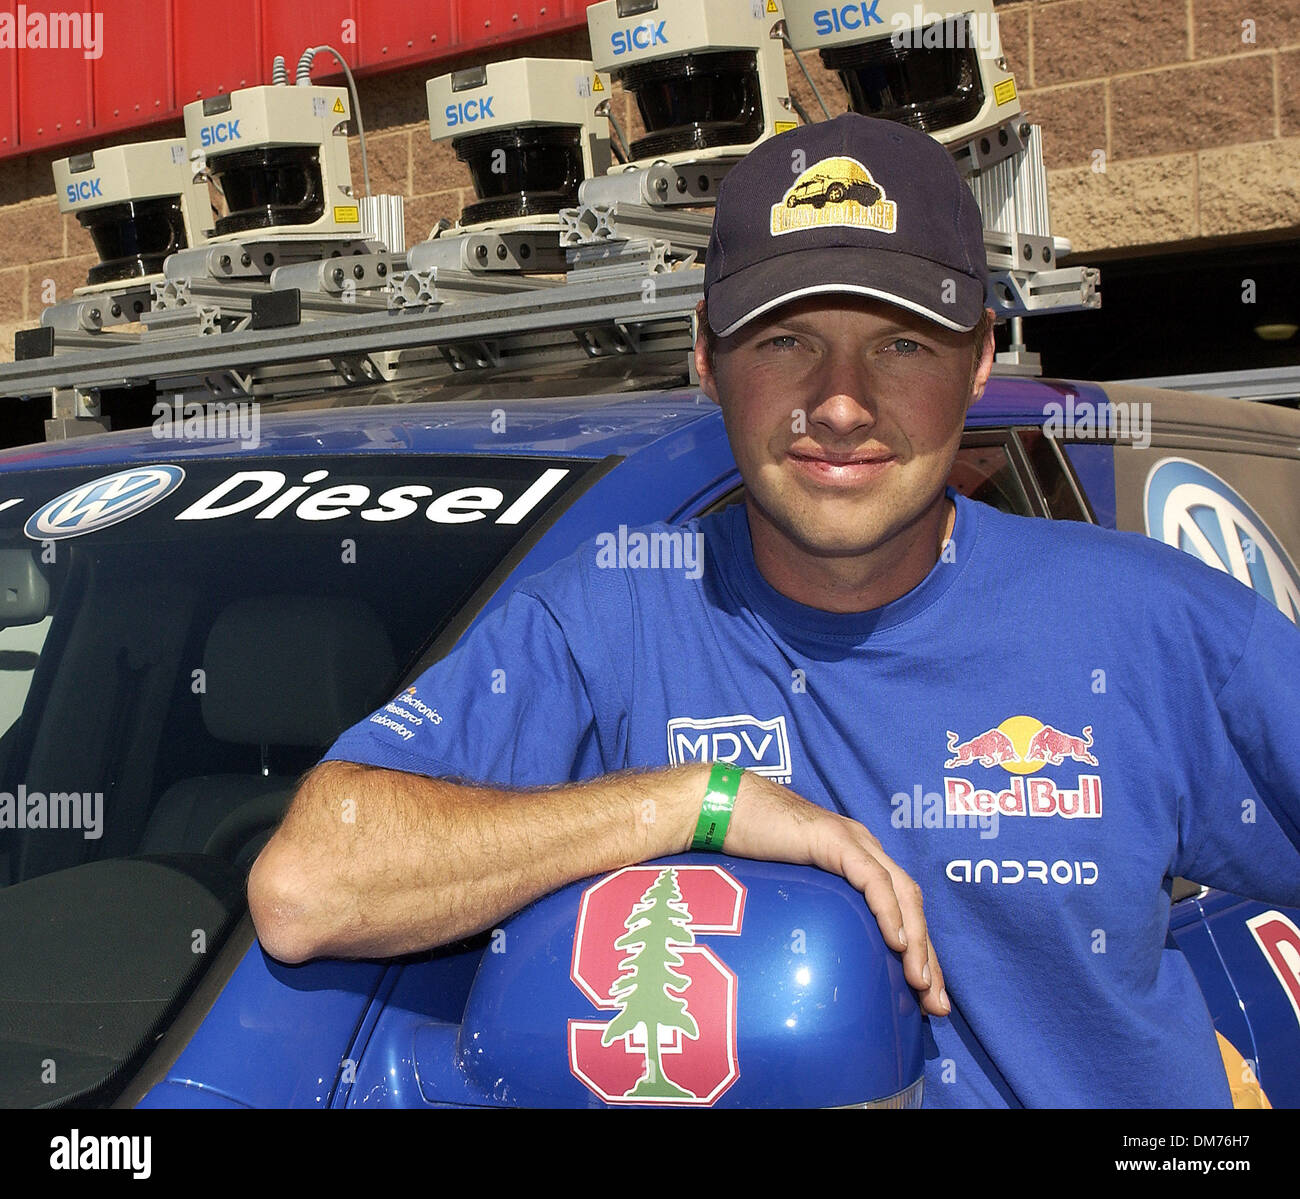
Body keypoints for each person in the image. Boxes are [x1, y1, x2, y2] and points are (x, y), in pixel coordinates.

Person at [248, 113, 1300, 1107]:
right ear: (706, 352)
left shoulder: (1153, 624)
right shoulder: (611, 614)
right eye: (786, 339)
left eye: (901, 344)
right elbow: (309, 887)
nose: (840, 402)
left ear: (981, 355)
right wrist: (697, 801)